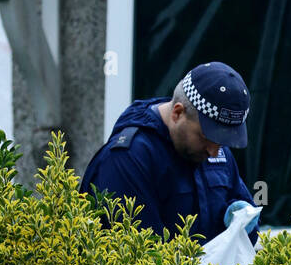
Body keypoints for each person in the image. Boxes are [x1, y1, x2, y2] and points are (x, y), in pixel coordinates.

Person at [80, 61, 256, 243]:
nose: (214, 151)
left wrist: (241, 220)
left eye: (222, 140)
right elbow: (141, 252)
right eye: (206, 137)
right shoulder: (128, 158)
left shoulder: (213, 147)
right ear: (177, 113)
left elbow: (246, 227)